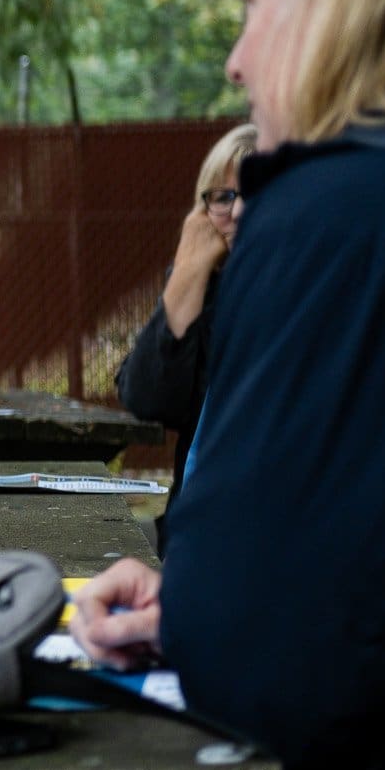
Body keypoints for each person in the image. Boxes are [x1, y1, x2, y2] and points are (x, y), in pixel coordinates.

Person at [72, 0, 385, 770]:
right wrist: (191, 601)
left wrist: (210, 613)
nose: (234, 61)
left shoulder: (332, 213)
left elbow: (265, 675)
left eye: (250, 9)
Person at [112, 122, 255, 552]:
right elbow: (147, 398)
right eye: (223, 197)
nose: (237, 210)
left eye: (255, 191)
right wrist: (189, 270)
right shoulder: (204, 290)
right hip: (193, 533)